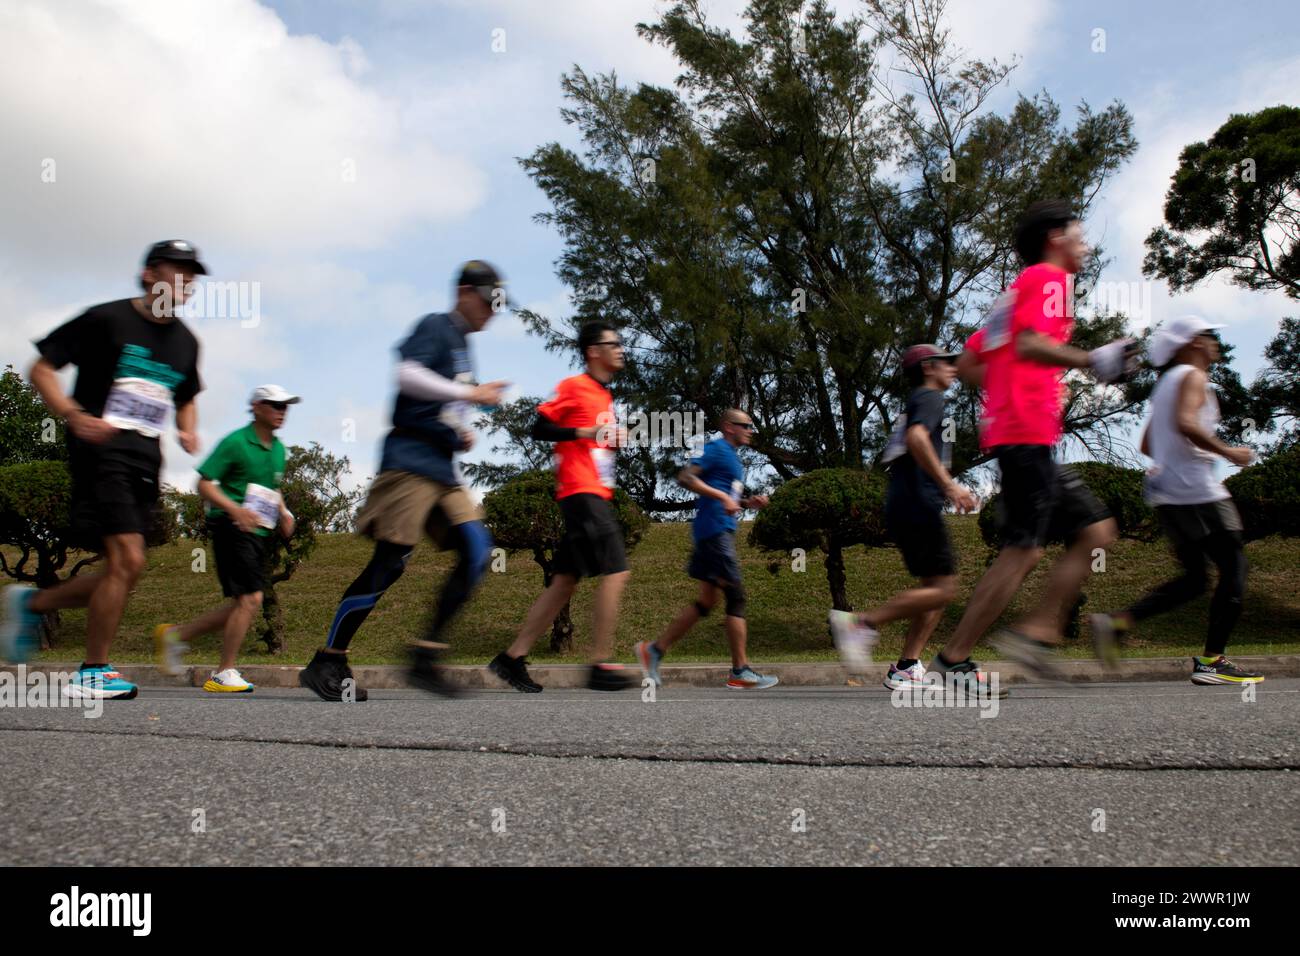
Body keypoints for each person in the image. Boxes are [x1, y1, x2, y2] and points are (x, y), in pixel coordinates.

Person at [932, 200, 1137, 685]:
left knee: (1096, 530)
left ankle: (1038, 630)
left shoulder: (1014, 294)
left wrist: (1004, 391)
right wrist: (1093, 360)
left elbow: (967, 363)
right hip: (1025, 431)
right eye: (1079, 235)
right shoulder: (1050, 280)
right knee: (1023, 550)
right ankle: (953, 659)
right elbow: (1028, 345)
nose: (1085, 246)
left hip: (1024, 432)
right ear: (1055, 237)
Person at [1, 241, 205, 699]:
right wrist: (72, 414)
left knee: (126, 570)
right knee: (128, 560)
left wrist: (187, 430)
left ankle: (33, 602)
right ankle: (92, 670)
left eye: (194, 275)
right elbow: (42, 369)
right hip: (100, 449)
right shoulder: (106, 319)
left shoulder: (188, 343)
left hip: (146, 461)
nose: (188, 281)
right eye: (179, 270)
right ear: (150, 273)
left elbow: (186, 396)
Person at [298, 262, 508, 702]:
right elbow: (406, 375)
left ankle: (425, 656)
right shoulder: (437, 325)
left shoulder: (465, 349)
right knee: (390, 562)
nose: (492, 311)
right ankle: (328, 659)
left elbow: (440, 402)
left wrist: (460, 430)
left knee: (478, 550)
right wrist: (470, 395)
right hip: (409, 462)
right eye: (488, 300)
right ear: (465, 291)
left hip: (443, 469)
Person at [1089, 316, 1262, 685]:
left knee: (1196, 579)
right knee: (1235, 568)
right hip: (1199, 489)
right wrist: (1229, 452)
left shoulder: (1165, 382)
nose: (1215, 340)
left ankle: (1118, 621)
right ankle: (1213, 660)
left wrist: (1166, 464)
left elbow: (1147, 444)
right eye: (1209, 334)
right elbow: (1186, 423)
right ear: (1193, 342)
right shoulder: (1194, 377)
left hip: (1167, 492)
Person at [488, 322, 636, 693]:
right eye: (612, 343)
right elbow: (538, 428)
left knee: (564, 582)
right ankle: (599, 662)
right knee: (616, 572)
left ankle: (511, 658)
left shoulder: (604, 395)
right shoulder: (575, 387)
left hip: (593, 493)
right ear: (592, 351)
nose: (620, 348)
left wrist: (611, 441)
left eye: (621, 343)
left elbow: (596, 441)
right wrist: (585, 434)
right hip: (580, 491)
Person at [828, 346, 978, 689]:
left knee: (935, 587)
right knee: (944, 589)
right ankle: (862, 624)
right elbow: (916, 438)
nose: (953, 368)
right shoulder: (929, 396)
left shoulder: (919, 398)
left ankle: (907, 666)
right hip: (916, 502)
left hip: (906, 501)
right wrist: (949, 485)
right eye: (947, 362)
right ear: (929, 366)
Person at [153, 386, 300, 692]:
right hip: (230, 526)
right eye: (275, 405)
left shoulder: (279, 450)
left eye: (285, 406)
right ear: (257, 407)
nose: (281, 411)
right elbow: (204, 484)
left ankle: (177, 636)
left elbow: (272, 488)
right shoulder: (235, 442)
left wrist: (285, 513)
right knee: (251, 599)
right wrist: (236, 510)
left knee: (242, 604)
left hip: (258, 531)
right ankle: (223, 672)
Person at [635, 409, 778, 690]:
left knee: (706, 602)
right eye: (745, 425)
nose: (751, 429)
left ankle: (654, 650)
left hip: (715, 531)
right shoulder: (716, 449)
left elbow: (728, 496)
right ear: (728, 426)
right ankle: (740, 670)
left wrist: (749, 503)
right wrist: (722, 496)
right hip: (714, 532)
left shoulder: (732, 459)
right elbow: (685, 478)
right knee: (736, 596)